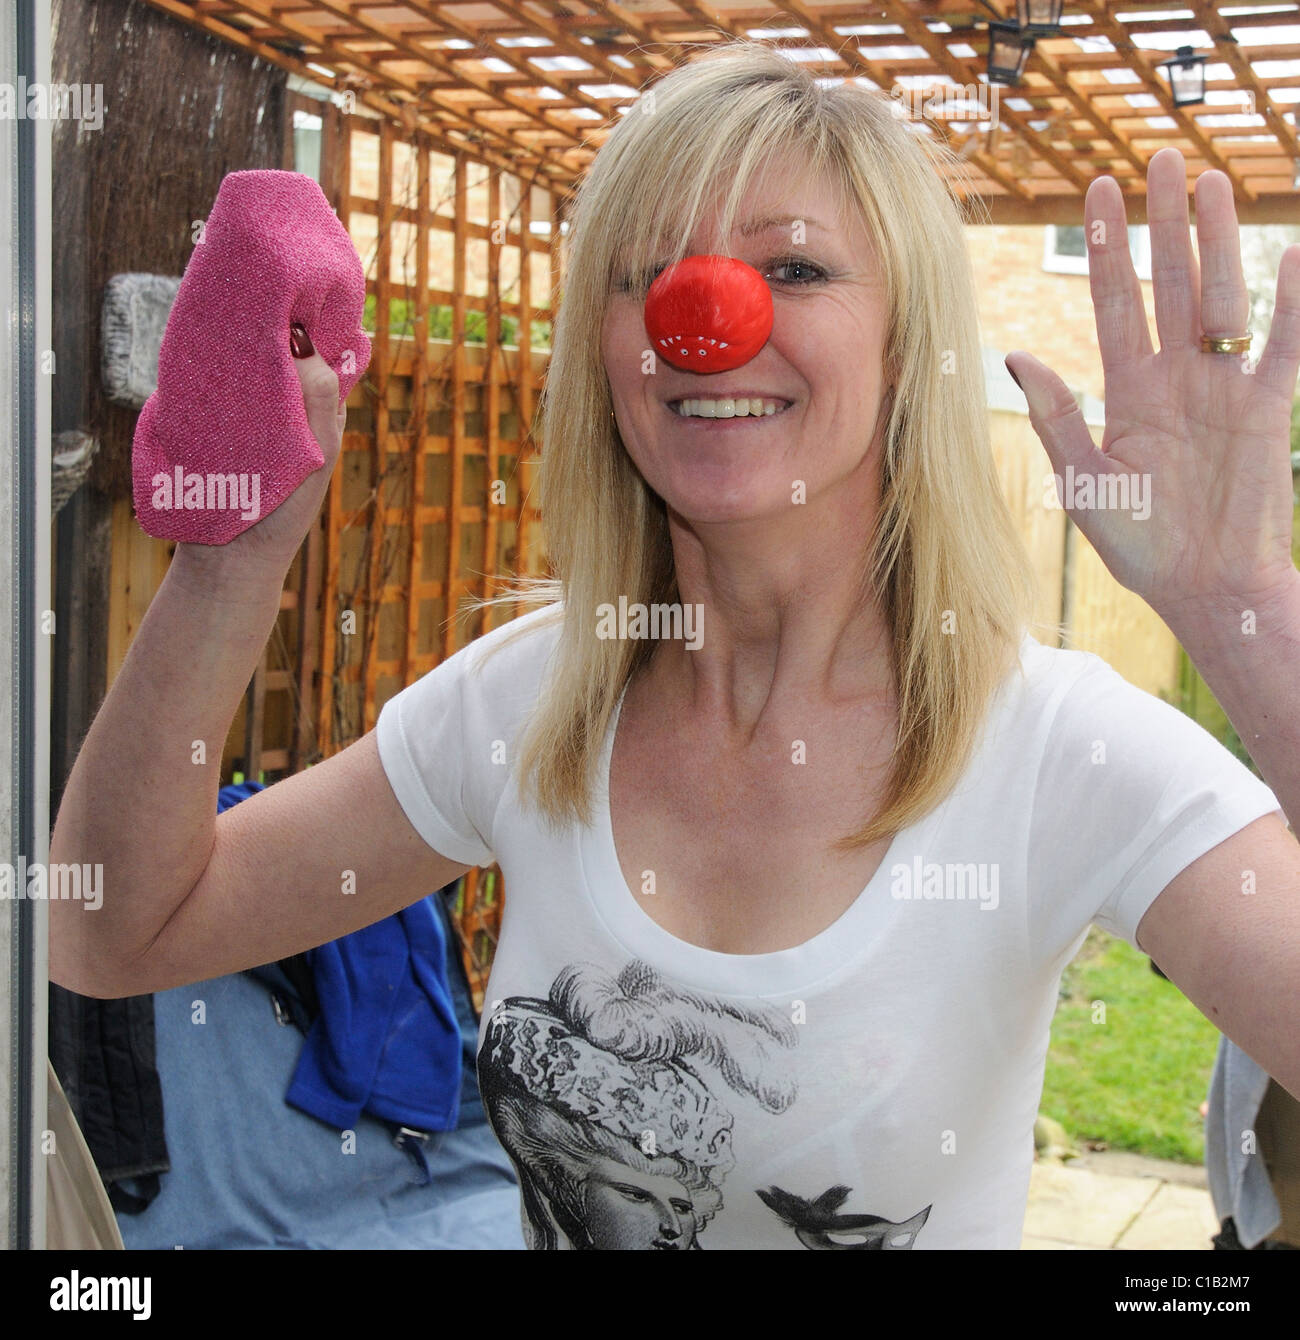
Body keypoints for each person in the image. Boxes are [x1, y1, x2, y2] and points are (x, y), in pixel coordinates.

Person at [49, 39, 1300, 1249]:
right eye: (647, 272)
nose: (706, 316)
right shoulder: (527, 703)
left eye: (796, 271)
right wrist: (231, 560)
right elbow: (113, 929)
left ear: (904, 346)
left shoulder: (1056, 747)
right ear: (606, 359)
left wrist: (1237, 605)